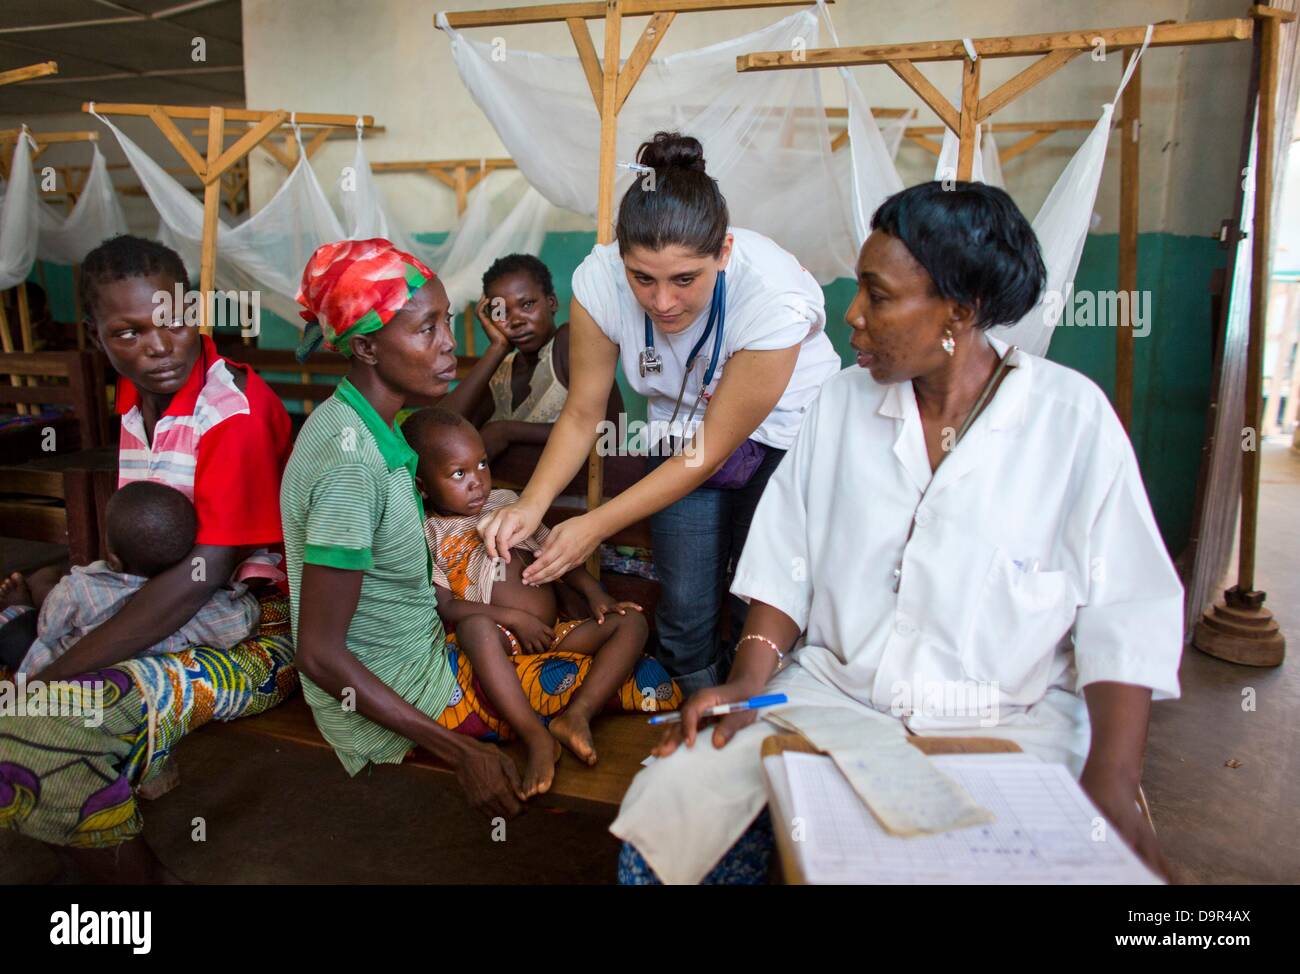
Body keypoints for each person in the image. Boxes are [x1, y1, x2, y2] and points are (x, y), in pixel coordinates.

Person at [610, 181, 1183, 885]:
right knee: (666, 825)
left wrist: (1114, 783)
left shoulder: (1070, 421)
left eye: (877, 296)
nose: (851, 315)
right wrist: (748, 680)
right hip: (832, 706)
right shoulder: (841, 405)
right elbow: (786, 563)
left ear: (960, 314)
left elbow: (1124, 612)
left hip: (1009, 727)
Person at [282, 238, 676, 812]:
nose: (447, 344)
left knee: (614, 639)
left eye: (445, 322)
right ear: (366, 347)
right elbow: (316, 653)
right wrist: (456, 750)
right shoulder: (349, 463)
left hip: (421, 655)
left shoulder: (369, 427)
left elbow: (449, 431)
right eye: (426, 330)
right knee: (651, 683)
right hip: (411, 695)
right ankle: (551, 732)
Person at [478, 132, 841, 692]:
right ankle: (690, 709)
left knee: (761, 588)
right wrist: (533, 503)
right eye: (642, 278)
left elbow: (710, 452)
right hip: (682, 432)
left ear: (723, 252)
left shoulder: (770, 294)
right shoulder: (599, 282)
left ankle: (753, 715)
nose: (663, 302)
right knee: (686, 600)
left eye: (684, 280)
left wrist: (594, 527)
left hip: (785, 435)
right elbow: (582, 414)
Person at [0, 234, 295, 883]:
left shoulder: (232, 412)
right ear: (97, 337)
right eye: (128, 333)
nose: (158, 346)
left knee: (47, 722)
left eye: (171, 321)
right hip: (165, 605)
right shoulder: (134, 398)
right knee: (33, 707)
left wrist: (53, 677)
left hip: (259, 633)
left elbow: (201, 580)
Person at [406, 408, 667, 784]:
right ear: (424, 486)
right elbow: (446, 605)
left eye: (481, 464)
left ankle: (577, 715)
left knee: (633, 623)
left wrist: (596, 594)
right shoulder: (430, 532)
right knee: (475, 628)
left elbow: (556, 553)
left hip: (555, 632)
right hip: (502, 635)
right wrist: (513, 619)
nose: (477, 481)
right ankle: (535, 736)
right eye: (459, 473)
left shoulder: (508, 503)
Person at [4, 481, 260, 677]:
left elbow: (48, 629)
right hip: (131, 679)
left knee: (31, 609)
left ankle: (18, 607)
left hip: (68, 668)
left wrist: (40, 605)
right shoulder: (200, 605)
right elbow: (239, 622)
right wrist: (233, 590)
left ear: (114, 559)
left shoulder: (82, 588)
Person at [444, 254, 623, 463]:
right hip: (507, 491)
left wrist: (508, 431)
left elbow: (613, 429)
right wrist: (497, 348)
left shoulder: (567, 342)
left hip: (577, 492)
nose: (516, 320)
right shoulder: (502, 371)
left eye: (527, 304)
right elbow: (443, 428)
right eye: (501, 312)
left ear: (552, 303)